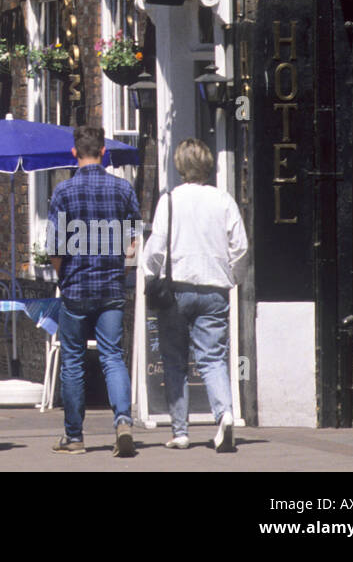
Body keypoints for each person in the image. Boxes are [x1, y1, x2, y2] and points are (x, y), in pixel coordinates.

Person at [142, 137, 248, 453]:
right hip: (215, 290)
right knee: (213, 358)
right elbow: (240, 247)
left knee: (175, 361)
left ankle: (180, 431)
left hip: (176, 291)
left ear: (180, 166)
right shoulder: (224, 200)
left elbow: (156, 247)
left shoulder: (170, 200)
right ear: (207, 165)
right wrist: (231, 278)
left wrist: (150, 274)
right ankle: (225, 414)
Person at [47, 125, 141, 458]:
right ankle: (123, 421)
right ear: (104, 152)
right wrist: (122, 271)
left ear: (74, 152)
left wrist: (64, 278)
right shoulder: (123, 189)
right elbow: (133, 241)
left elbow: (55, 248)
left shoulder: (63, 192)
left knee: (72, 361)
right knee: (113, 357)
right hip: (111, 287)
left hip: (75, 288)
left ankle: (74, 437)